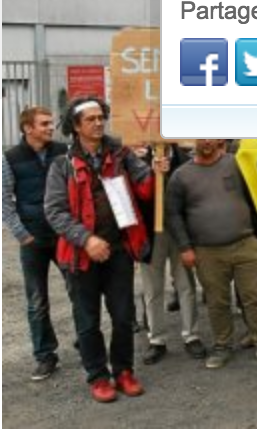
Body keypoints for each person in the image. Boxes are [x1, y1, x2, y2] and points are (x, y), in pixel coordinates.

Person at [44, 98, 157, 402]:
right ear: (76, 126)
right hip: (81, 257)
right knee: (87, 320)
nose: (98, 123)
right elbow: (54, 211)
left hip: (119, 250)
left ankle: (123, 371)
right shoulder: (62, 165)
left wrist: (155, 169)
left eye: (101, 117)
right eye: (90, 119)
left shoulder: (121, 156)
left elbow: (145, 188)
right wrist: (87, 239)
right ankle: (98, 376)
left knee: (123, 316)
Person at [166, 139, 257, 369]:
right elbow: (173, 215)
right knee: (217, 301)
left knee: (254, 296)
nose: (206, 141)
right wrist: (185, 247)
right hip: (207, 251)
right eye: (201, 136)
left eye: (210, 135)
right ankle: (222, 345)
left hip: (245, 244)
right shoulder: (180, 176)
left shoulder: (238, 164)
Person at [3, 106, 69, 381]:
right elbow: (5, 201)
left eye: (51, 123)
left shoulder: (62, 152)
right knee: (36, 300)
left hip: (65, 235)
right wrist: (23, 235)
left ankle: (86, 342)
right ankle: (45, 356)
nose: (50, 127)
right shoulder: (10, 158)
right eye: (43, 123)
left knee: (79, 290)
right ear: (27, 128)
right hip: (33, 238)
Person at [136, 143, 206, 365]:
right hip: (149, 232)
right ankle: (156, 339)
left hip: (180, 232)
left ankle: (191, 335)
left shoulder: (186, 160)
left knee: (186, 284)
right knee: (152, 288)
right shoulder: (136, 161)